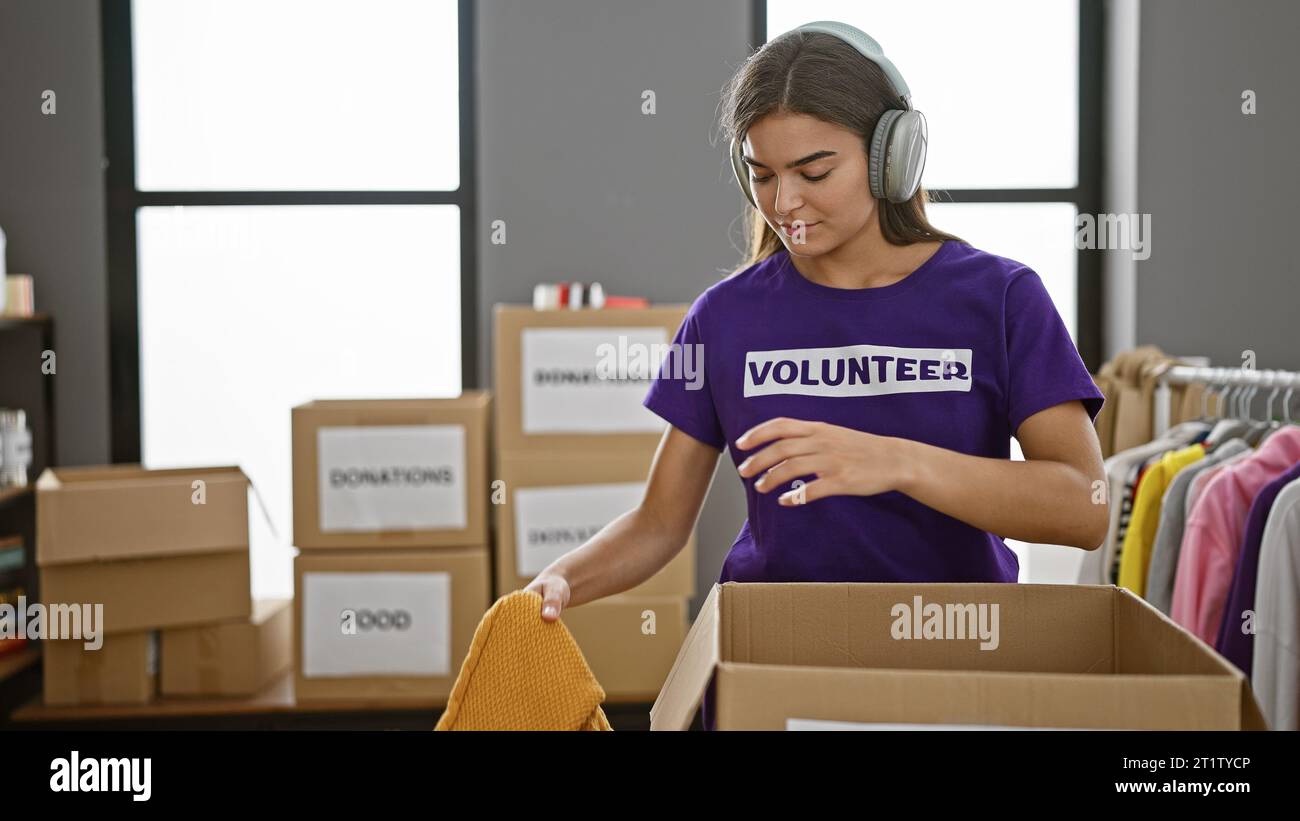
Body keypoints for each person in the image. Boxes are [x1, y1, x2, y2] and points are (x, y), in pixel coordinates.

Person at [525, 21, 1107, 729]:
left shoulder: (1002, 299)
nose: (785, 203)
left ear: (892, 156)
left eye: (814, 172)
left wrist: (895, 460)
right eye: (762, 175)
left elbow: (1084, 504)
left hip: (954, 672)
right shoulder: (724, 317)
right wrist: (561, 581)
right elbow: (658, 523)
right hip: (771, 674)